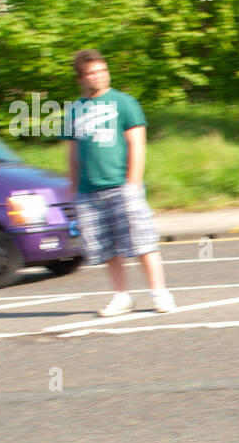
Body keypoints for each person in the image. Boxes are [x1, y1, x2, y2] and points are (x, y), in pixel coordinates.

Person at [64, 49, 176, 316]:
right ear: (81, 77)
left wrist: (133, 184)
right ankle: (121, 295)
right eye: (92, 73)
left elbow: (137, 143)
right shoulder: (74, 110)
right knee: (106, 246)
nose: (99, 76)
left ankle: (159, 292)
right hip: (89, 191)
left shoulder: (124, 103)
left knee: (142, 240)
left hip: (122, 186)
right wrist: (73, 192)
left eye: (103, 70)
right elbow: (72, 154)